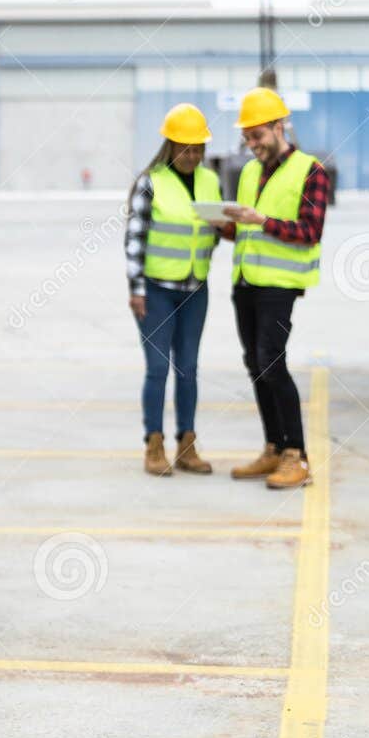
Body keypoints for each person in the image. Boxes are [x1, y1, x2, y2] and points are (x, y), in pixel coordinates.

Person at [211, 86, 327, 490]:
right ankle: (274, 448)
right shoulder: (248, 172)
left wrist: (260, 220)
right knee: (255, 364)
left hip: (280, 285)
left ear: (280, 127)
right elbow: (246, 231)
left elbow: (310, 231)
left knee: (271, 363)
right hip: (246, 281)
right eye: (247, 137)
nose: (252, 144)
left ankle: (298, 456)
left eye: (257, 135)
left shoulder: (311, 170)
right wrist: (223, 226)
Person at [125, 103, 220, 476]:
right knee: (157, 369)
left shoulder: (211, 181)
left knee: (189, 368)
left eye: (198, 149)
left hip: (196, 289)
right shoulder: (150, 182)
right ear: (171, 146)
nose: (192, 155)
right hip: (156, 291)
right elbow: (135, 240)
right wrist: (136, 290)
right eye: (185, 148)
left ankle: (187, 445)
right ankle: (154, 444)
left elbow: (213, 230)